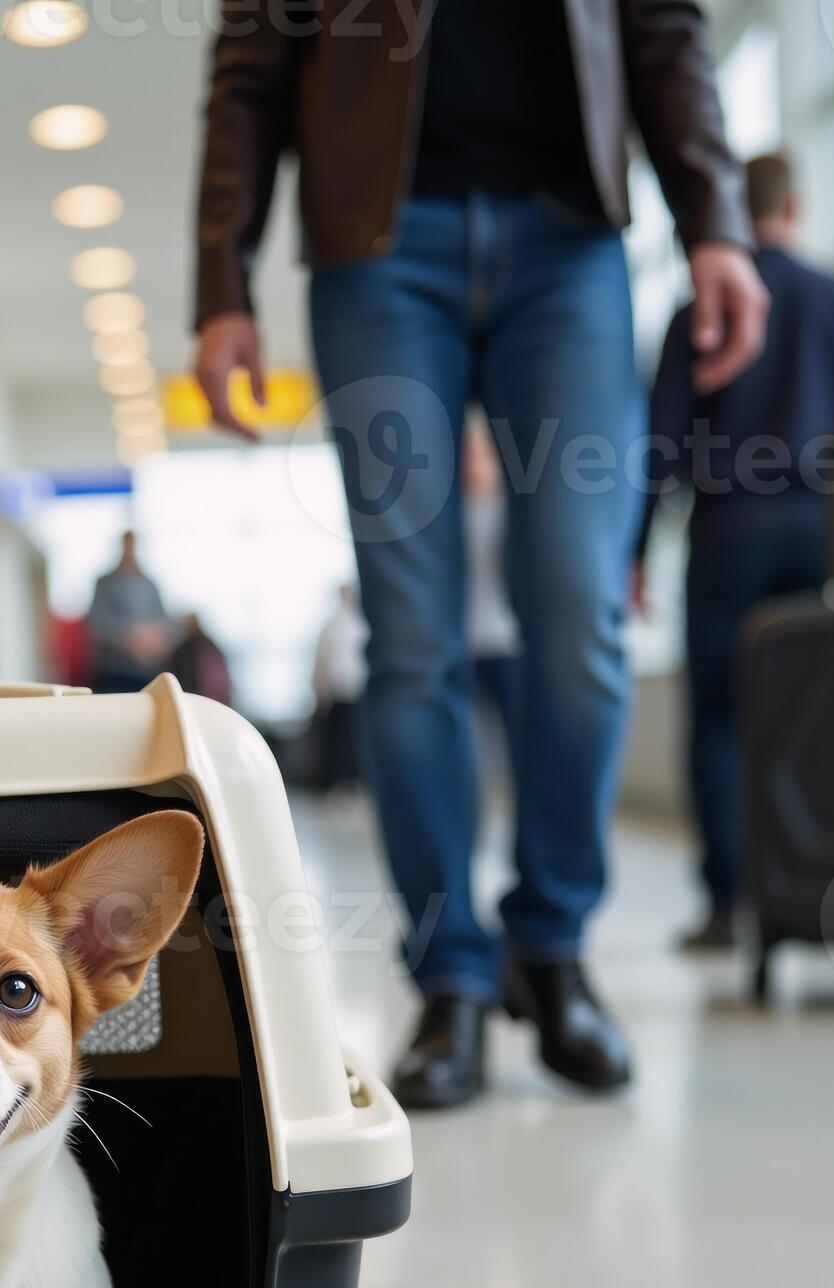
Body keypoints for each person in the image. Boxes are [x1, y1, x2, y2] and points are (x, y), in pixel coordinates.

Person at [194, 0, 768, 1110]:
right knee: (411, 637)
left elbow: (663, 29)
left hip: (569, 244)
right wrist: (223, 281)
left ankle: (549, 948)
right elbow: (249, 68)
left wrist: (715, 220)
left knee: (581, 615)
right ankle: (451, 972)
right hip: (376, 247)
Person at [639, 151, 834, 952]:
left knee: (721, 720)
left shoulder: (692, 310)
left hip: (727, 530)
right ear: (794, 206)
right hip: (824, 529)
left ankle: (730, 904)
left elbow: (658, 449)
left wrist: (631, 553)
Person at [462, 416, 523, 758]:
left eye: (481, 453)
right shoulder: (451, 517)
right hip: (468, 642)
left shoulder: (512, 512)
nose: (475, 462)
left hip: (509, 641)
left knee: (521, 740)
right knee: (471, 745)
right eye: (469, 454)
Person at [84, 531, 176, 694]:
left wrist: (152, 639)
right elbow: (96, 621)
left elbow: (165, 621)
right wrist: (128, 636)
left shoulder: (150, 584)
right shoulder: (104, 582)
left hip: (146, 669)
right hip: (113, 669)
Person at [312, 582, 369, 791]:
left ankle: (356, 781)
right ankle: (341, 783)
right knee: (340, 742)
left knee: (357, 741)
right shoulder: (332, 626)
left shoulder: (360, 624)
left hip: (358, 691)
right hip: (339, 693)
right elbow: (323, 661)